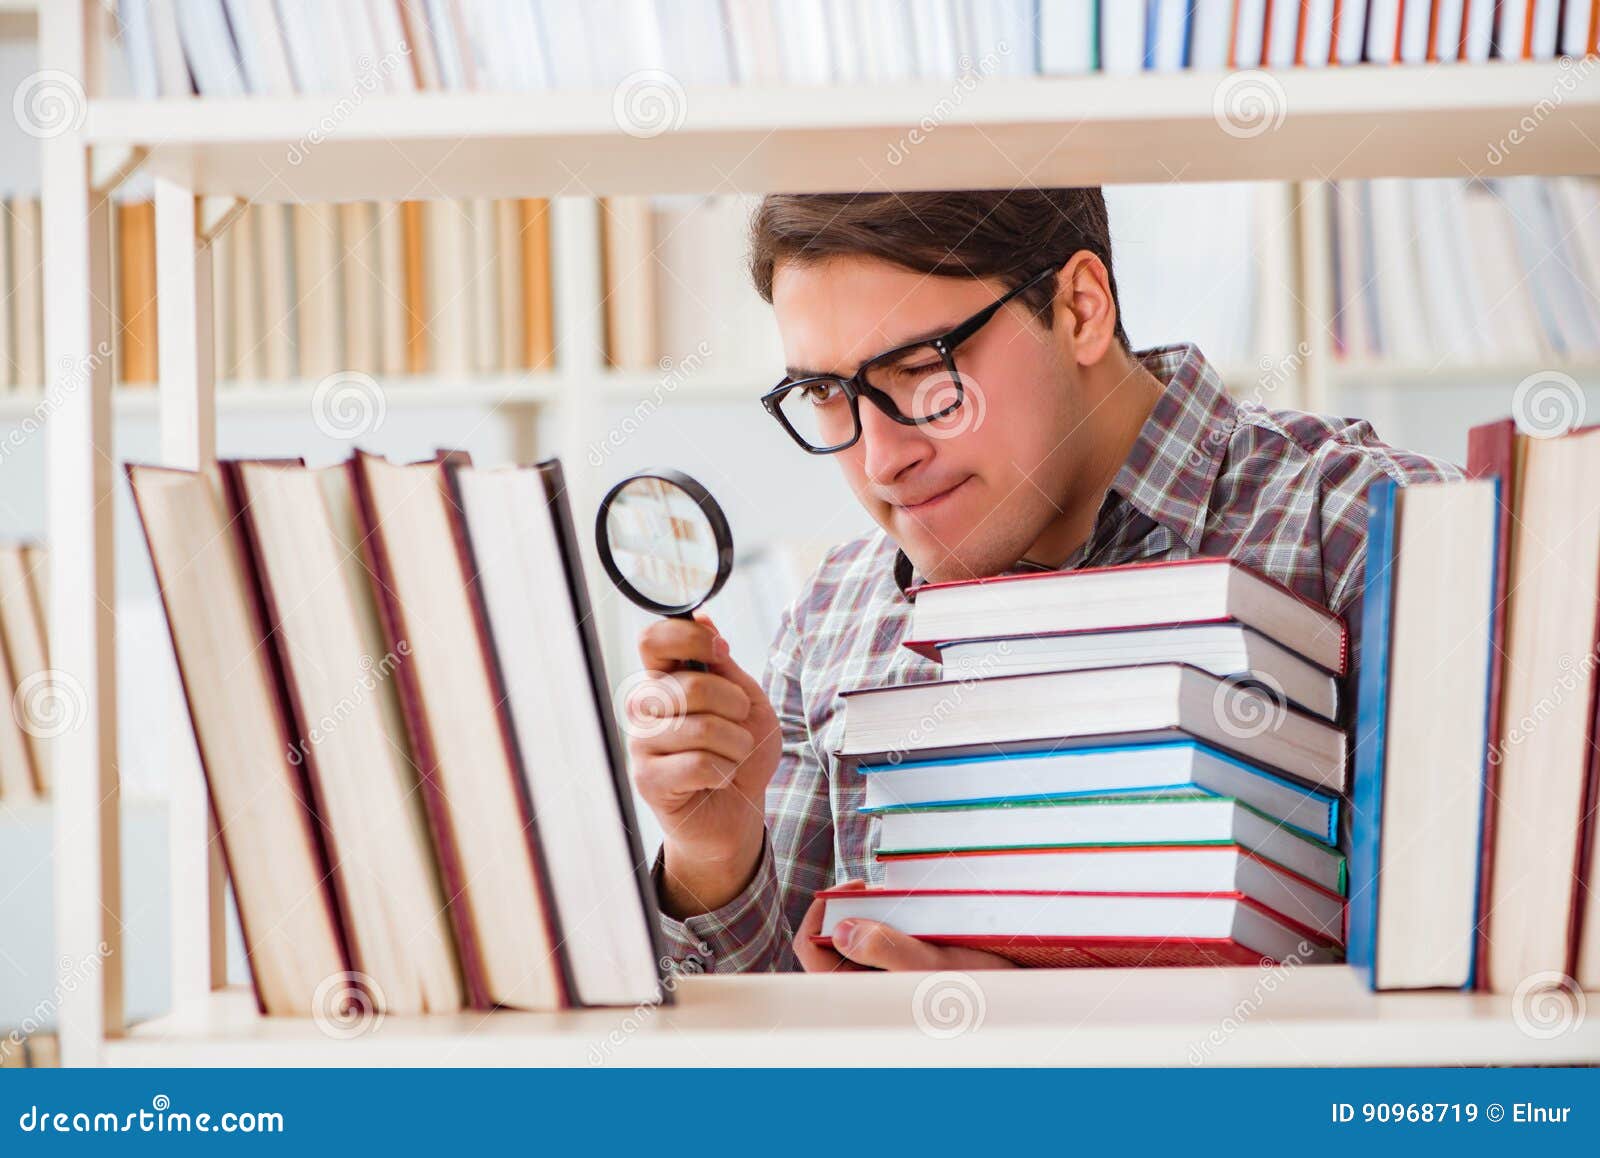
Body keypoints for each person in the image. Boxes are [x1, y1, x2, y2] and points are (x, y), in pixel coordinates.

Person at [625, 188, 1459, 974]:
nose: (881, 460)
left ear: (1080, 308)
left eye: (923, 368)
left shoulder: (1377, 529)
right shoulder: (834, 616)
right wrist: (714, 857)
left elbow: (1498, 1016)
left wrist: (1053, 1032)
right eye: (825, 394)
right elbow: (753, 1082)